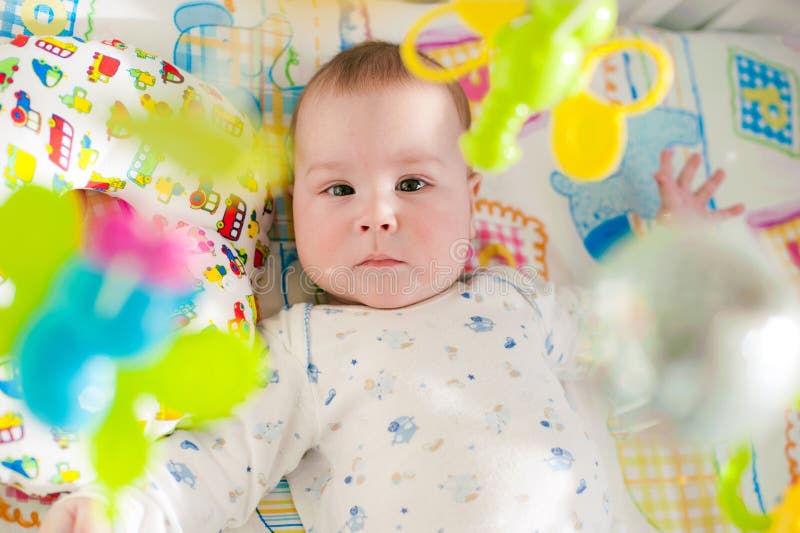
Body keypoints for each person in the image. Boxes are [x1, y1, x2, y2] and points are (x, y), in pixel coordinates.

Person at [40, 41, 744, 533]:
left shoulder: (517, 302)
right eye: (339, 189)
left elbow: (635, 331)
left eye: (412, 183)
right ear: (293, 211)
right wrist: (125, 513)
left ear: (471, 196)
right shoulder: (305, 347)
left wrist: (683, 249)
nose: (377, 214)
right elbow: (223, 457)